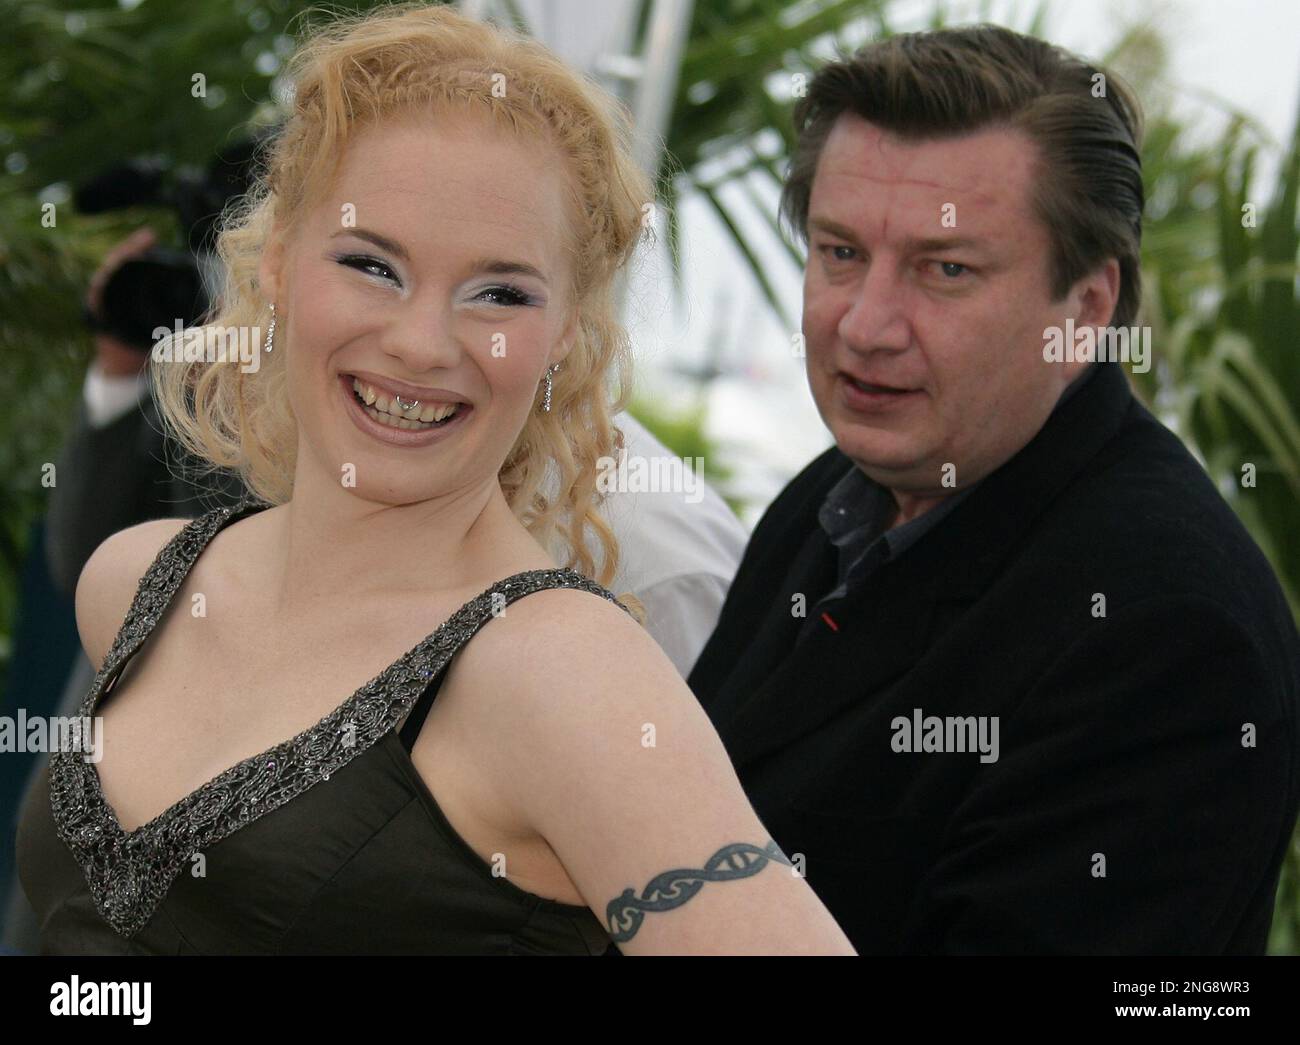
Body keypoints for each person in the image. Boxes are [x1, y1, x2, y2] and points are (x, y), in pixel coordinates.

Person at [15, 3, 853, 956]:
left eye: (500, 292)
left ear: (567, 331)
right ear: (280, 260)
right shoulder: (135, 584)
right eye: (372, 264)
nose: (420, 342)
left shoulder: (561, 676)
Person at [687, 24, 1300, 954]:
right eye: (840, 252)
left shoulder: (1166, 626)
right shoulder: (841, 493)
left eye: (946, 270)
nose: (866, 324)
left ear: (1086, 309)